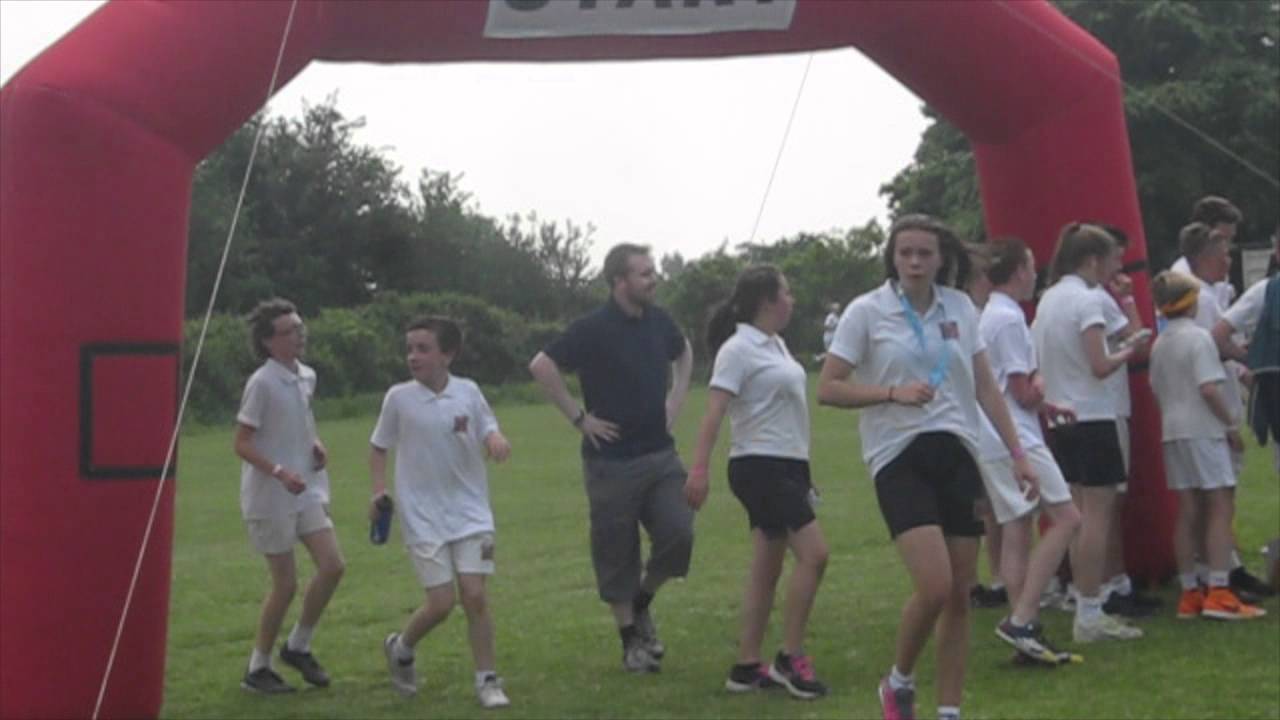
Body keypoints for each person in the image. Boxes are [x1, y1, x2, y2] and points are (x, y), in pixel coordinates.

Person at [818, 214, 1037, 720]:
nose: (914, 262)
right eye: (905, 253)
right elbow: (828, 387)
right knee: (934, 585)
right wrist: (891, 393)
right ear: (892, 258)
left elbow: (986, 388)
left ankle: (949, 710)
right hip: (898, 456)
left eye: (924, 254)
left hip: (957, 453)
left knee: (959, 594)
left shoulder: (959, 307)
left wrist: (1019, 457)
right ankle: (899, 681)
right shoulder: (867, 311)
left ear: (942, 259)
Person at [528, 243, 695, 674]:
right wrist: (579, 418)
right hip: (610, 463)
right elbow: (542, 366)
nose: (653, 280)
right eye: (644, 273)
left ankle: (642, 602)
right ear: (619, 281)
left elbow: (683, 351)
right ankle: (630, 642)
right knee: (616, 553)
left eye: (653, 271)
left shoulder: (659, 320)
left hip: (661, 455)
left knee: (679, 533)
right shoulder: (592, 328)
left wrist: (675, 398)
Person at [684, 265, 830, 699]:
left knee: (768, 566)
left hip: (787, 465)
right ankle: (790, 657)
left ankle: (746, 666)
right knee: (815, 555)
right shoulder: (738, 349)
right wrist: (699, 470)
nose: (792, 300)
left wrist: (803, 473)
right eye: (787, 292)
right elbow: (714, 412)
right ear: (767, 300)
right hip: (758, 466)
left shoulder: (777, 344)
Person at [370, 316, 513, 708]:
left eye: (423, 349)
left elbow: (488, 427)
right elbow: (379, 447)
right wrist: (379, 491)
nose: (413, 356)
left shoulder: (469, 391)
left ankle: (487, 680)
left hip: (471, 512)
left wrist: (496, 439)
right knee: (441, 603)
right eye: (409, 349)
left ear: (447, 355)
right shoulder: (398, 398)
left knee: (475, 595)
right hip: (422, 516)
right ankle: (401, 648)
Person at [1031, 223, 1146, 644]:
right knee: (1096, 518)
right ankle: (1091, 610)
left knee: (1077, 516)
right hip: (1093, 416)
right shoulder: (1088, 299)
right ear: (1093, 260)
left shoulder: (1049, 299)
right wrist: (1130, 350)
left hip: (1061, 419)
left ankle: (1085, 605)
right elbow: (1100, 365)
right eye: (1111, 259)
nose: (1115, 269)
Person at [975, 238, 1083, 664]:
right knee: (1067, 518)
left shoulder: (988, 316)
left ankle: (1024, 628)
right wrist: (1041, 389)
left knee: (1017, 526)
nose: (1035, 273)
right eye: (1031, 266)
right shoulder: (1008, 319)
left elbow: (1000, 386)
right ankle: (1022, 618)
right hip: (1015, 437)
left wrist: (1046, 406)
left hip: (993, 436)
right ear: (1019, 270)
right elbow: (1020, 390)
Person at [233, 298, 346, 694]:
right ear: (268, 342)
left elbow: (300, 424)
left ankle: (298, 646)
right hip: (270, 498)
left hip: (306, 490)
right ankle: (257, 668)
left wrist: (316, 445)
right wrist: (279, 472)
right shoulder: (262, 383)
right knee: (285, 585)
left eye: (300, 327)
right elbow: (242, 443)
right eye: (290, 331)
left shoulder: (307, 376)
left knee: (333, 566)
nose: (300, 335)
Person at [1148, 272, 1266, 621]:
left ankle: (1190, 591)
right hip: (1203, 430)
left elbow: (1157, 389)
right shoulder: (1199, 339)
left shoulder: (1159, 343)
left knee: (1188, 509)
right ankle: (1218, 589)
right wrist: (1229, 425)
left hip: (1173, 431)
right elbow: (1209, 389)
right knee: (1220, 504)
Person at [1179, 222, 1274, 602]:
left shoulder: (1203, 296)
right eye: (1223, 255)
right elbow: (1215, 342)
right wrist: (1249, 359)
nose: (1229, 261)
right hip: (1213, 407)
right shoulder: (1201, 299)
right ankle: (1218, 574)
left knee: (1207, 497)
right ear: (1205, 258)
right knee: (1218, 496)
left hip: (1199, 408)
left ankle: (1218, 568)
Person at [1091, 224, 1161, 618]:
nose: (1120, 266)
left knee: (1103, 503)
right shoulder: (1099, 300)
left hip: (1099, 406)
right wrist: (1130, 300)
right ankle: (1109, 585)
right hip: (1105, 406)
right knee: (1107, 503)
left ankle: (1112, 582)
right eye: (1117, 257)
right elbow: (1139, 340)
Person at [1172, 195, 1242, 310]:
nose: (1227, 247)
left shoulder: (1220, 274)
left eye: (1230, 239)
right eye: (1222, 239)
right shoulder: (1181, 278)